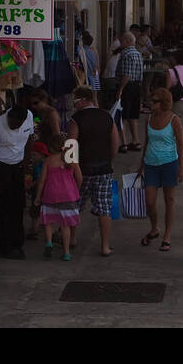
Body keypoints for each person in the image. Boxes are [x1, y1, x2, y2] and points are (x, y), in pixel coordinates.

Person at [66, 85, 119, 257]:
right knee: (104, 208)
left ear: (83, 100)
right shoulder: (107, 117)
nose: (74, 105)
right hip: (104, 169)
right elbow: (115, 144)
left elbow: (70, 145)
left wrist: (70, 167)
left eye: (75, 101)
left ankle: (72, 238)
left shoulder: (76, 120)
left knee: (75, 204)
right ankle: (105, 246)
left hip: (82, 169)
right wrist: (109, 160)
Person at [0, 99, 37, 259]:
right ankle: (3, 246)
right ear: (9, 117)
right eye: (14, 125)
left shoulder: (29, 117)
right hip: (0, 167)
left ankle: (17, 242)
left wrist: (27, 167)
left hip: (18, 166)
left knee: (18, 205)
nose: (17, 128)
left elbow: (29, 140)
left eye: (19, 125)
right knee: (2, 207)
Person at [135, 87, 183, 251]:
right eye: (151, 101)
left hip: (169, 163)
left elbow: (180, 143)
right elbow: (147, 142)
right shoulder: (149, 118)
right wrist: (141, 165)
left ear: (163, 103)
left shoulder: (174, 119)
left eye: (155, 101)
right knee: (149, 201)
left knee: (169, 200)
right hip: (151, 163)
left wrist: (182, 167)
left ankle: (167, 236)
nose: (151, 104)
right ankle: (155, 228)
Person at [34, 132, 82, 260]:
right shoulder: (71, 159)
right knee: (65, 225)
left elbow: (42, 180)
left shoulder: (48, 161)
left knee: (48, 221)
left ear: (51, 147)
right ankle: (66, 253)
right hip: (68, 195)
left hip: (50, 194)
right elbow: (79, 178)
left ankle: (49, 241)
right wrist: (75, 189)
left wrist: (38, 196)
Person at [115, 32, 145, 153]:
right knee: (133, 115)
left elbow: (126, 75)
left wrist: (120, 90)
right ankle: (136, 141)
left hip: (127, 87)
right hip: (136, 86)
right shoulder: (138, 53)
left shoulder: (126, 53)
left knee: (121, 115)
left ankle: (123, 143)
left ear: (127, 41)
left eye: (122, 41)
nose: (120, 43)